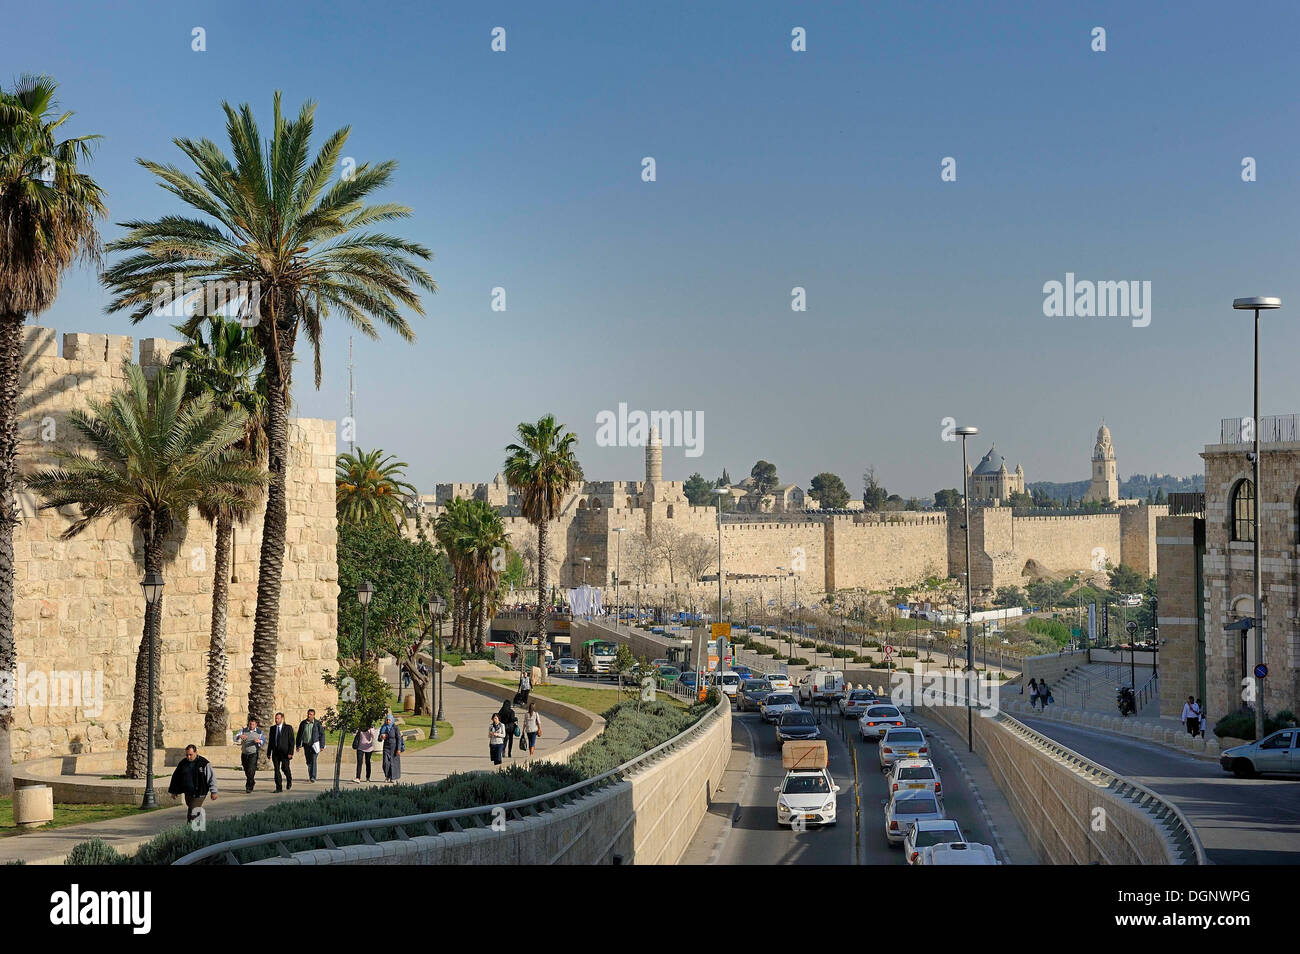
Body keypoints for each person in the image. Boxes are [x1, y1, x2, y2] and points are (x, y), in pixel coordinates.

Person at [167, 744, 218, 824]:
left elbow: (211, 777)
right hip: (188, 793)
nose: (188, 757)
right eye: (187, 755)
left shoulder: (204, 763)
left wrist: (214, 791)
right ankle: (199, 829)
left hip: (200, 793)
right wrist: (174, 791)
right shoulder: (183, 763)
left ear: (196, 752)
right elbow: (176, 778)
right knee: (194, 810)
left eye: (191, 755)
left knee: (193, 812)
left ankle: (189, 830)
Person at [233, 718, 265, 793]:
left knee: (251, 770)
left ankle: (249, 787)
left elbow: (263, 741)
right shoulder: (243, 730)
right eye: (250, 724)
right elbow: (235, 738)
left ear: (256, 725)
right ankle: (252, 781)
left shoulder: (259, 732)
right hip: (244, 753)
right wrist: (239, 736)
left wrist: (259, 741)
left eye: (253, 724)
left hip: (253, 754)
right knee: (247, 770)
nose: (251, 725)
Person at [267, 711, 295, 792]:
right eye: (275, 718)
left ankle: (289, 779)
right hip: (275, 752)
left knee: (285, 768)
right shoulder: (272, 728)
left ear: (282, 719)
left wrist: (290, 752)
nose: (276, 720)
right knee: (276, 770)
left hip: (285, 753)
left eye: (278, 718)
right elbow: (271, 741)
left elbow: (292, 741)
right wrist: (269, 752)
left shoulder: (288, 728)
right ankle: (278, 787)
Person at [296, 709, 325, 783]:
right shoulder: (303, 723)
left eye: (311, 714)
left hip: (315, 745)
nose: (309, 716)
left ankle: (313, 777)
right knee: (308, 761)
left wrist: (322, 745)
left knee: (313, 760)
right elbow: (299, 735)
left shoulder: (317, 723)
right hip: (306, 745)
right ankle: (310, 775)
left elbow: (322, 734)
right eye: (308, 714)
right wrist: (298, 745)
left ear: (314, 715)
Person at [379, 713, 405, 783]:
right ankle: (387, 776)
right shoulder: (383, 727)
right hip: (386, 747)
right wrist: (381, 736)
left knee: (393, 763)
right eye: (387, 720)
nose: (388, 721)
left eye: (389, 720)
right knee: (385, 763)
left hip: (394, 747)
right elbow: (379, 739)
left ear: (392, 720)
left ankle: (392, 777)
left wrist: (399, 749)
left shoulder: (395, 727)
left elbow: (399, 738)